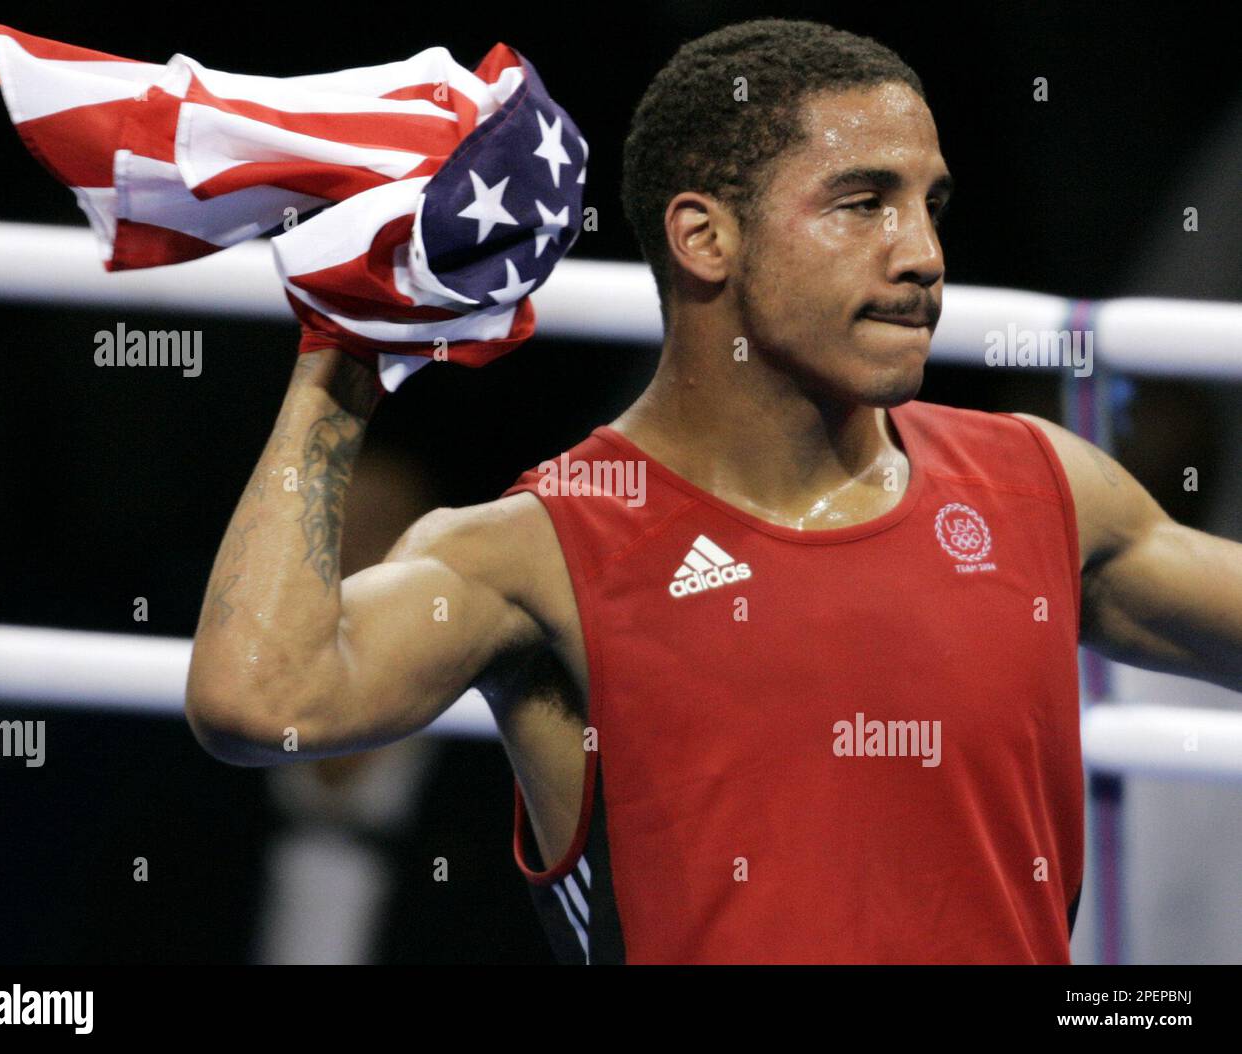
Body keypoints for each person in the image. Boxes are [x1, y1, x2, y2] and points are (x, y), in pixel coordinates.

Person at [184, 19, 1242, 964]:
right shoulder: (533, 552)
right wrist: (341, 365)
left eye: (931, 205)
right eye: (863, 202)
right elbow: (261, 702)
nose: (922, 254)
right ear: (704, 238)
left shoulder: (1041, 487)